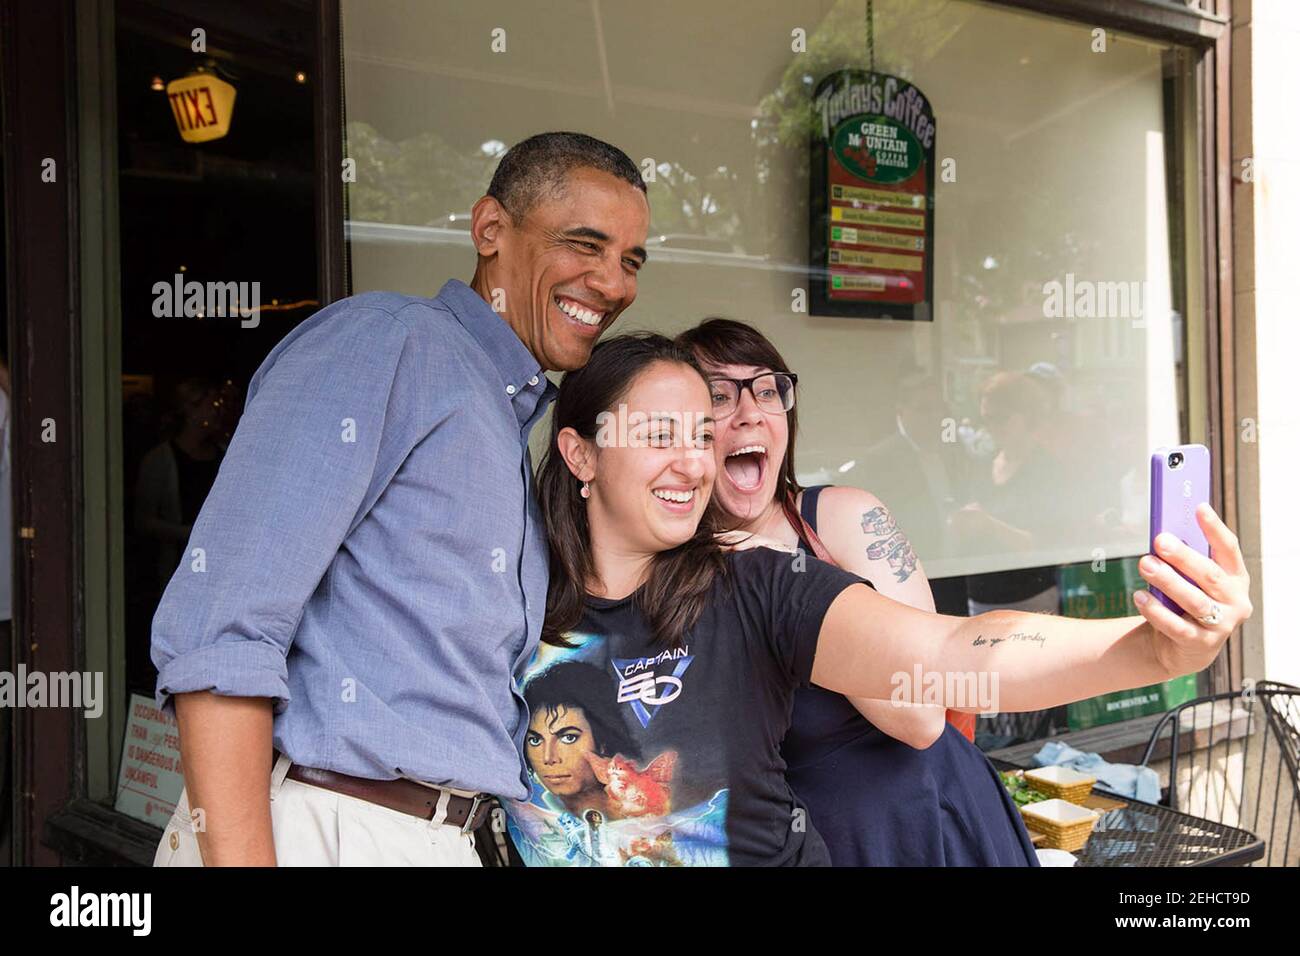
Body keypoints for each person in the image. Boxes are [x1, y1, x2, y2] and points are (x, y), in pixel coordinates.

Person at [504, 332, 1251, 866]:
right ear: (580, 454)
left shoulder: (753, 584)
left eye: (700, 435)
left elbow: (948, 656)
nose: (691, 461)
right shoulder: (511, 611)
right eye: (660, 433)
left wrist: (1148, 648)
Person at [151, 131, 650, 866]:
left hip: (437, 837)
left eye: (630, 260)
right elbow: (222, 637)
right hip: (327, 826)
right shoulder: (387, 344)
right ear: (490, 230)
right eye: (585, 245)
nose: (612, 284)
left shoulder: (505, 417)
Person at [675, 318, 1034, 865]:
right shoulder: (671, 568)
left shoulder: (844, 517)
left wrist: (784, 591)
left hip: (920, 823)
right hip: (790, 846)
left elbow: (920, 717)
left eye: (768, 390)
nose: (750, 412)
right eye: (719, 396)